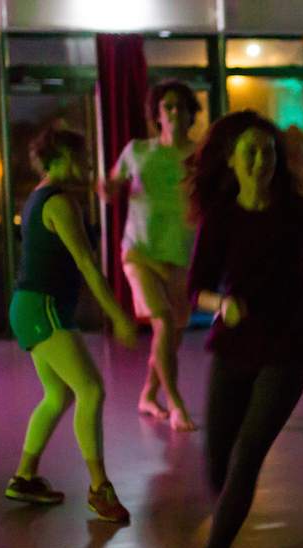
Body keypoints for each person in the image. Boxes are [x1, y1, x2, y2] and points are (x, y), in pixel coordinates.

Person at [187, 111, 303, 548]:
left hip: (288, 345)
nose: (261, 160)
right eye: (250, 151)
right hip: (234, 343)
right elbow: (198, 287)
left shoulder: (298, 208)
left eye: (268, 151)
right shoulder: (221, 218)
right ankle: (224, 520)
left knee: (248, 452)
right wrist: (222, 304)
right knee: (217, 456)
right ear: (231, 161)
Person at [5, 127, 137, 523]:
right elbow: (88, 266)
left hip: (34, 306)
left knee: (58, 396)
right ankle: (99, 488)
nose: (87, 163)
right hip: (41, 308)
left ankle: (25, 476)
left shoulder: (41, 196)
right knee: (91, 390)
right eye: (80, 155)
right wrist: (118, 317)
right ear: (60, 157)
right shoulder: (59, 203)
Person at [103, 80, 201, 432]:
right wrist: (109, 189)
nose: (174, 112)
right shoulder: (138, 151)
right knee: (161, 323)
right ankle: (177, 405)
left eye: (180, 106)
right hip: (139, 252)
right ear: (157, 114)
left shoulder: (200, 156)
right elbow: (113, 184)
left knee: (171, 337)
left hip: (180, 256)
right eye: (167, 106)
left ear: (191, 113)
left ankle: (148, 395)